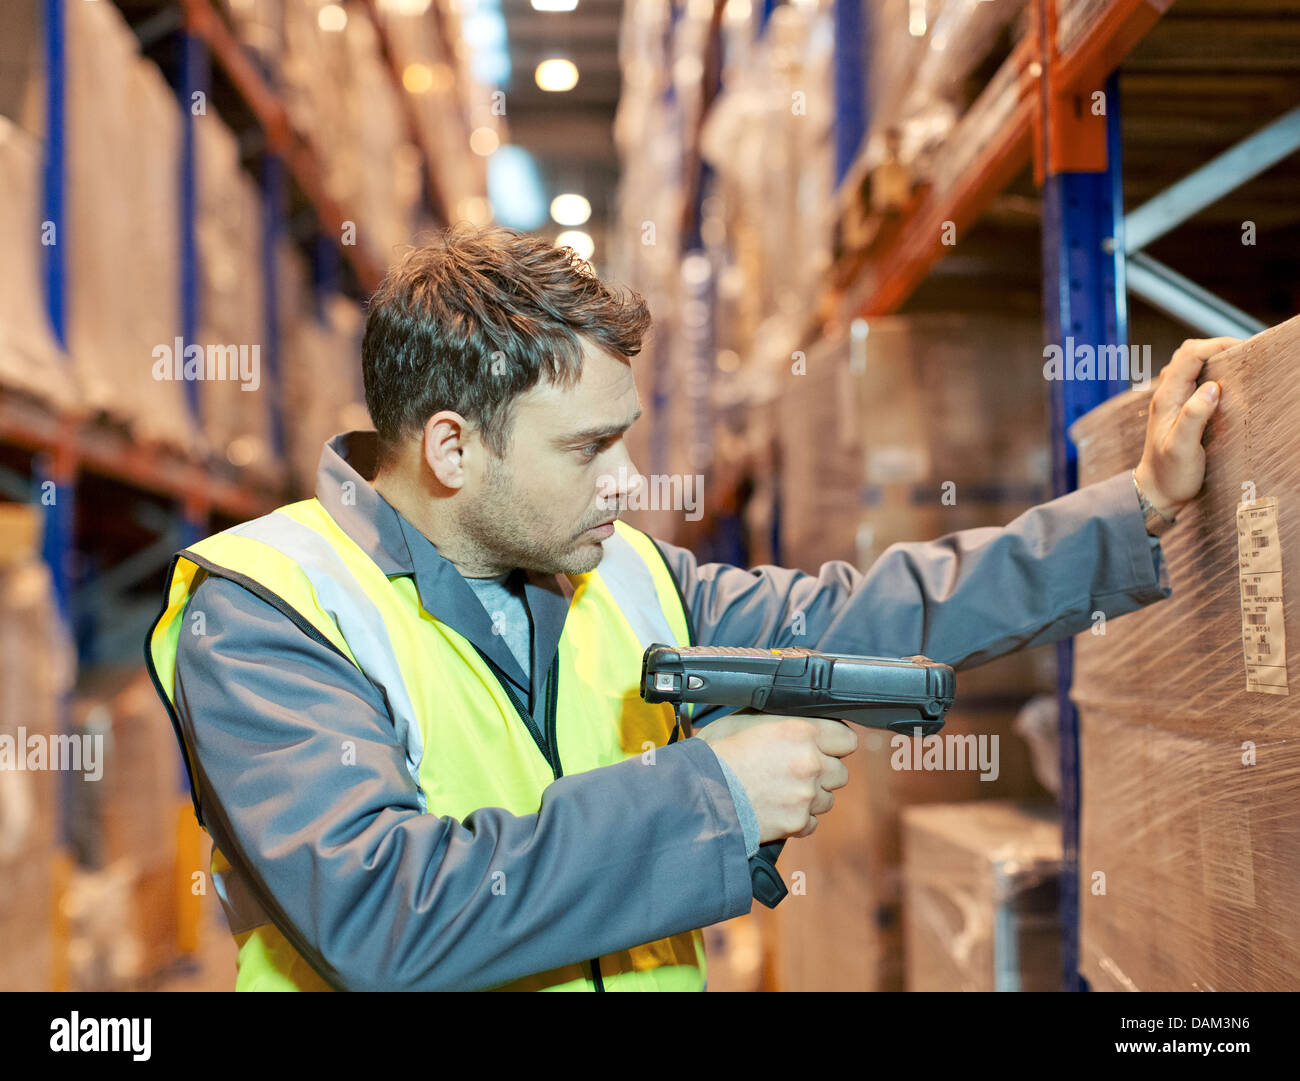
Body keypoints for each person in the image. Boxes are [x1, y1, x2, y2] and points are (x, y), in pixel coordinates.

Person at [145, 222, 1230, 992]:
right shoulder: (269, 608)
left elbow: (871, 612)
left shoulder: (627, 577)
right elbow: (379, 910)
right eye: (590, 448)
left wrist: (1135, 507)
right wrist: (709, 795)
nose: (626, 482)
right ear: (450, 446)